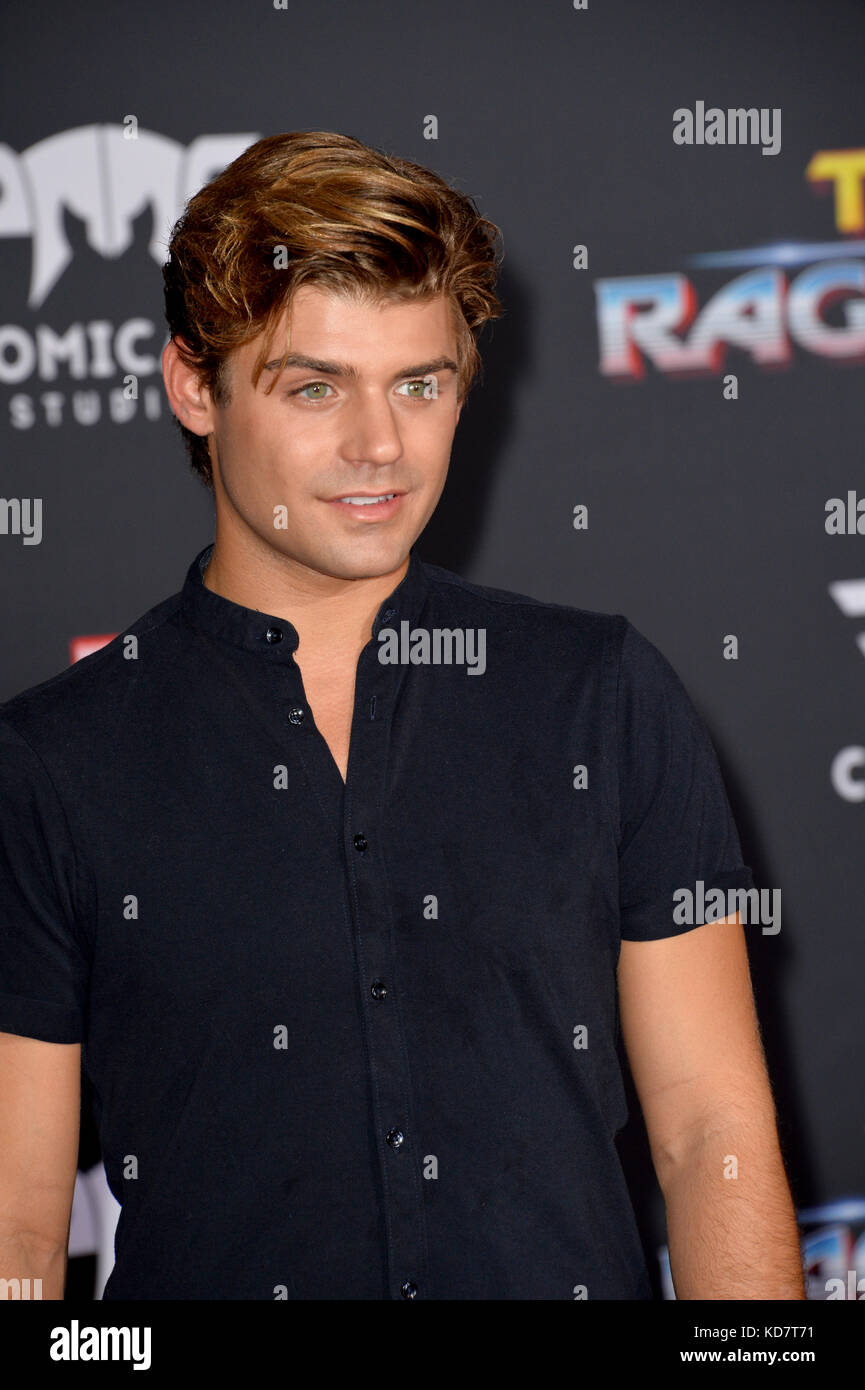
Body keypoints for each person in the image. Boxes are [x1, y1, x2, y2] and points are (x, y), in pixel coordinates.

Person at [0, 130, 804, 1300]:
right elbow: (20, 1239)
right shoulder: (53, 763)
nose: (379, 446)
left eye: (418, 384)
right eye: (315, 386)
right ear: (193, 385)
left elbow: (710, 1138)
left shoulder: (600, 695)